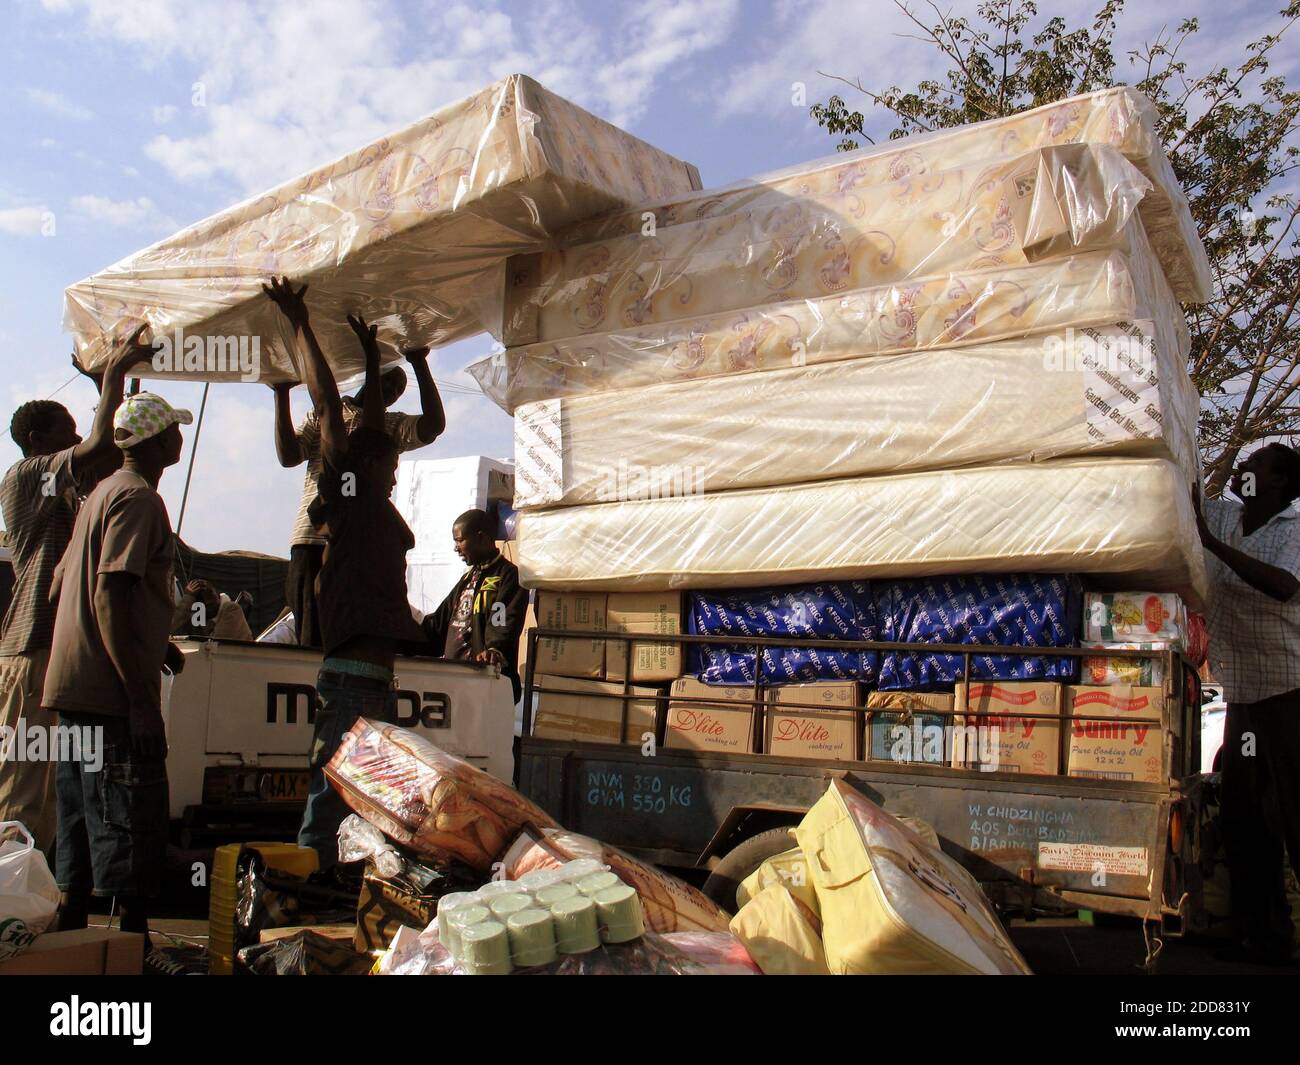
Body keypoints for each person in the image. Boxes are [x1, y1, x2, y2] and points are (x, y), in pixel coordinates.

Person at [264, 277, 429, 869]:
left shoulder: (373, 504)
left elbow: (367, 418)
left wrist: (369, 355)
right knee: (331, 790)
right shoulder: (349, 495)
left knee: (360, 792)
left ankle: (338, 877)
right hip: (353, 678)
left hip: (374, 682)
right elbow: (332, 410)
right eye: (386, 463)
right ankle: (305, 880)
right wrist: (299, 319)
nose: (392, 472)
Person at [42, 391, 191, 936]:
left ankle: (70, 933)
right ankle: (133, 945)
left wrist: (157, 643)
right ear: (156, 440)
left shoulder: (100, 494)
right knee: (130, 816)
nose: (180, 437)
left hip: (74, 688)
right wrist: (139, 701)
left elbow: (66, 588)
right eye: (173, 429)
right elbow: (110, 594)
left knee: (80, 817)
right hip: (110, 697)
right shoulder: (140, 499)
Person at [0, 331, 145, 854]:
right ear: (39, 439)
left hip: (53, 655)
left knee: (52, 798)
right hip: (31, 648)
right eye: (68, 430)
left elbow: (112, 456)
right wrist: (109, 380)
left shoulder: (57, 489)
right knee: (20, 790)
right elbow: (102, 447)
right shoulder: (27, 477)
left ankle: (37, 903)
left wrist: (119, 389)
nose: (78, 434)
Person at [1193, 442, 1300, 965]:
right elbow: (1184, 496)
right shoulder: (1223, 515)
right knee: (1244, 815)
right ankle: (1261, 935)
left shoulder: (1292, 532)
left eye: (1256, 466)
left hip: (1289, 698)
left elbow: (1283, 586)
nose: (1243, 470)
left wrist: (1212, 545)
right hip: (1245, 698)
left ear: (1279, 484)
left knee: (1292, 816)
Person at [271, 333, 444, 648]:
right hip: (312, 538)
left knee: (346, 632)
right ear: (368, 377)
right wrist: (281, 396)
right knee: (313, 635)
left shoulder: (389, 427)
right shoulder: (326, 420)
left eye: (397, 390)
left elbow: (433, 425)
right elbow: (289, 455)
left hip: (355, 542)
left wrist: (419, 364)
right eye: (386, 384)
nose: (390, 393)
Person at [421, 509, 528, 702]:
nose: (456, 548)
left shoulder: (508, 576)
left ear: (480, 538)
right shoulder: (467, 578)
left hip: (486, 687)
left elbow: (502, 620)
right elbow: (438, 624)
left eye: (460, 540)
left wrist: (494, 650)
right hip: (454, 687)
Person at [171, 578, 253, 641]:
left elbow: (215, 644)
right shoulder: (200, 617)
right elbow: (171, 628)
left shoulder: (231, 609)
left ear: (217, 597)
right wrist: (188, 599)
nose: (208, 608)